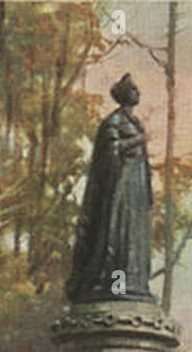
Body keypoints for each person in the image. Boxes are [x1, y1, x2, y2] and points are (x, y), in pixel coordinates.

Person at [65, 73, 154, 303]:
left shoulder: (135, 123)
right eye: (134, 89)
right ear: (125, 95)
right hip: (118, 191)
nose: (138, 93)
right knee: (116, 235)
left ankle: (133, 284)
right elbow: (110, 153)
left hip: (136, 192)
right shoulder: (114, 122)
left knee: (133, 238)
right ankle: (114, 285)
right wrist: (138, 141)